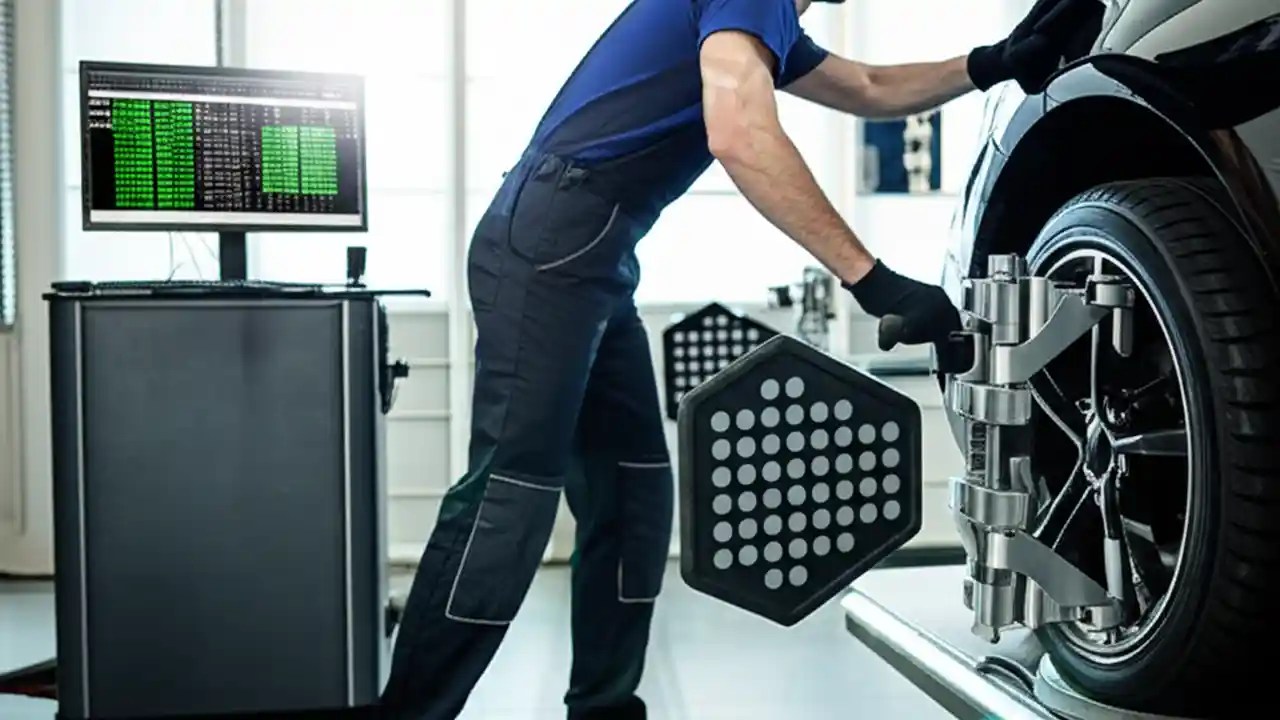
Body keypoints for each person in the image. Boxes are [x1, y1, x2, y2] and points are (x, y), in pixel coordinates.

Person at [379, 1, 1094, 718]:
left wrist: (991, 63)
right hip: (548, 244)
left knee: (633, 495)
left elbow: (871, 86)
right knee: (511, 498)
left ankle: (603, 708)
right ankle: (411, 712)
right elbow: (740, 132)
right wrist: (872, 281)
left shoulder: (770, 20)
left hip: (595, 252)